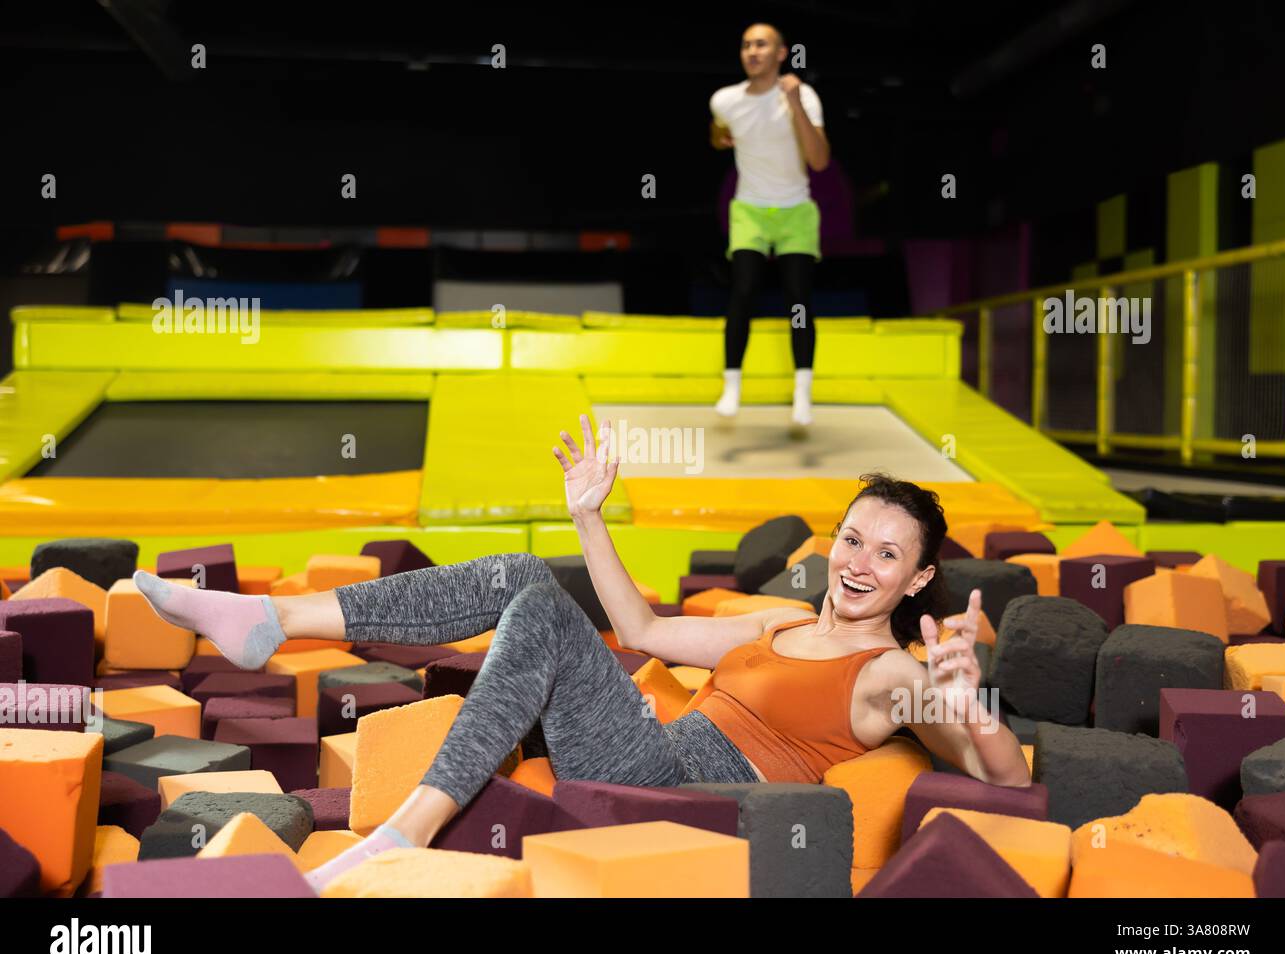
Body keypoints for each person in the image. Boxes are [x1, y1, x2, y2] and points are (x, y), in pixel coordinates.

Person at [132, 414, 1029, 893]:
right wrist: (590, 516)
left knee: (531, 590)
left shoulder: (891, 675)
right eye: (851, 538)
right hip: (643, 758)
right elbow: (639, 633)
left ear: (917, 580)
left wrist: (963, 697)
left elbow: (1000, 778)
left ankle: (401, 823)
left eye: (886, 552)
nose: (858, 561)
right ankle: (275, 623)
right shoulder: (774, 626)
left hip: (694, 800)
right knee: (529, 576)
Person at [709, 22, 831, 429]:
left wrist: (794, 103)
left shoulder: (803, 95)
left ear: (781, 53)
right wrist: (718, 137)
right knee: (743, 290)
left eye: (761, 44)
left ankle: (802, 388)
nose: (752, 51)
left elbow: (819, 161)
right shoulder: (724, 99)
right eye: (746, 45)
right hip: (750, 209)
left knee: (798, 297)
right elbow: (718, 133)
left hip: (795, 208)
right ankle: (731, 384)